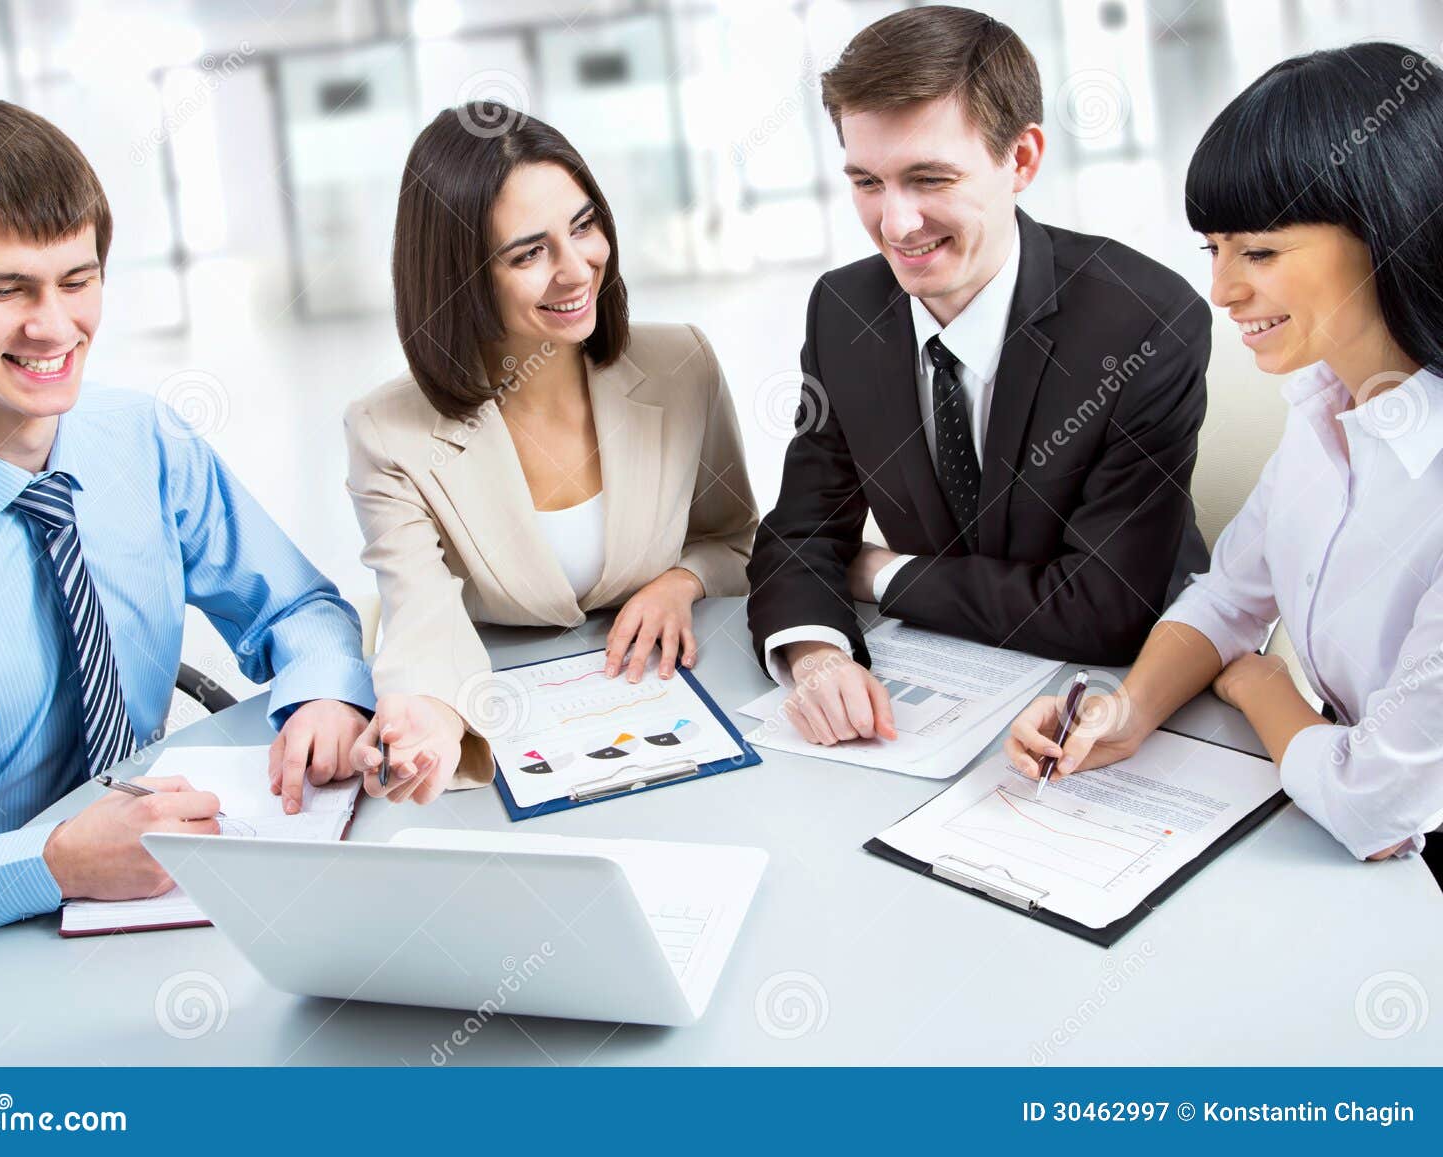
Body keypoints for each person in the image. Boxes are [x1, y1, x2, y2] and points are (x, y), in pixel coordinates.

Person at [0, 100, 379, 983]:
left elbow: (299, 605)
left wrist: (323, 693)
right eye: (5, 289)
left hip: (179, 901)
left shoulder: (145, 442)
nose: (55, 327)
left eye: (77, 279)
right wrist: (48, 862)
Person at [1006, 42, 1443, 880]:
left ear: (1390, 228)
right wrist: (1123, 712)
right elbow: (1229, 595)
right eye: (1215, 249)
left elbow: (1374, 808)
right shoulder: (1328, 405)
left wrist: (1261, 691)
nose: (1223, 290)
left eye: (1261, 252)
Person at [745, 6, 1209, 749]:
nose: (895, 225)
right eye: (867, 181)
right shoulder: (844, 310)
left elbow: (1104, 608)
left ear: (1021, 160)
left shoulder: (1144, 323)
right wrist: (818, 656)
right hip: (938, 698)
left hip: (1121, 701)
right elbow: (800, 530)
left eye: (929, 178)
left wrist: (884, 574)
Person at [342, 103, 759, 800]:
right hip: (525, 730)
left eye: (584, 226)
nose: (577, 270)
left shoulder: (683, 364)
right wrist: (430, 725)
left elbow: (736, 537)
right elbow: (422, 616)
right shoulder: (386, 431)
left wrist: (681, 581)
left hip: (683, 709)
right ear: (460, 277)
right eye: (529, 253)